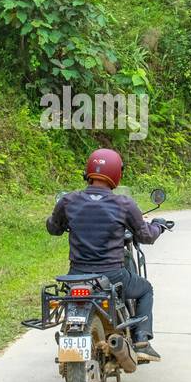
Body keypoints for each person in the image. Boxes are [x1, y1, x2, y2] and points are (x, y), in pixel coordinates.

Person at [46, 148, 167, 362]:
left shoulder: (68, 201)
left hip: (77, 276)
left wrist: (61, 220)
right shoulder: (124, 204)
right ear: (116, 174)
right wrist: (158, 226)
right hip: (112, 276)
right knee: (145, 289)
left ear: (88, 172)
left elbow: (54, 228)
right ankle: (141, 341)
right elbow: (146, 236)